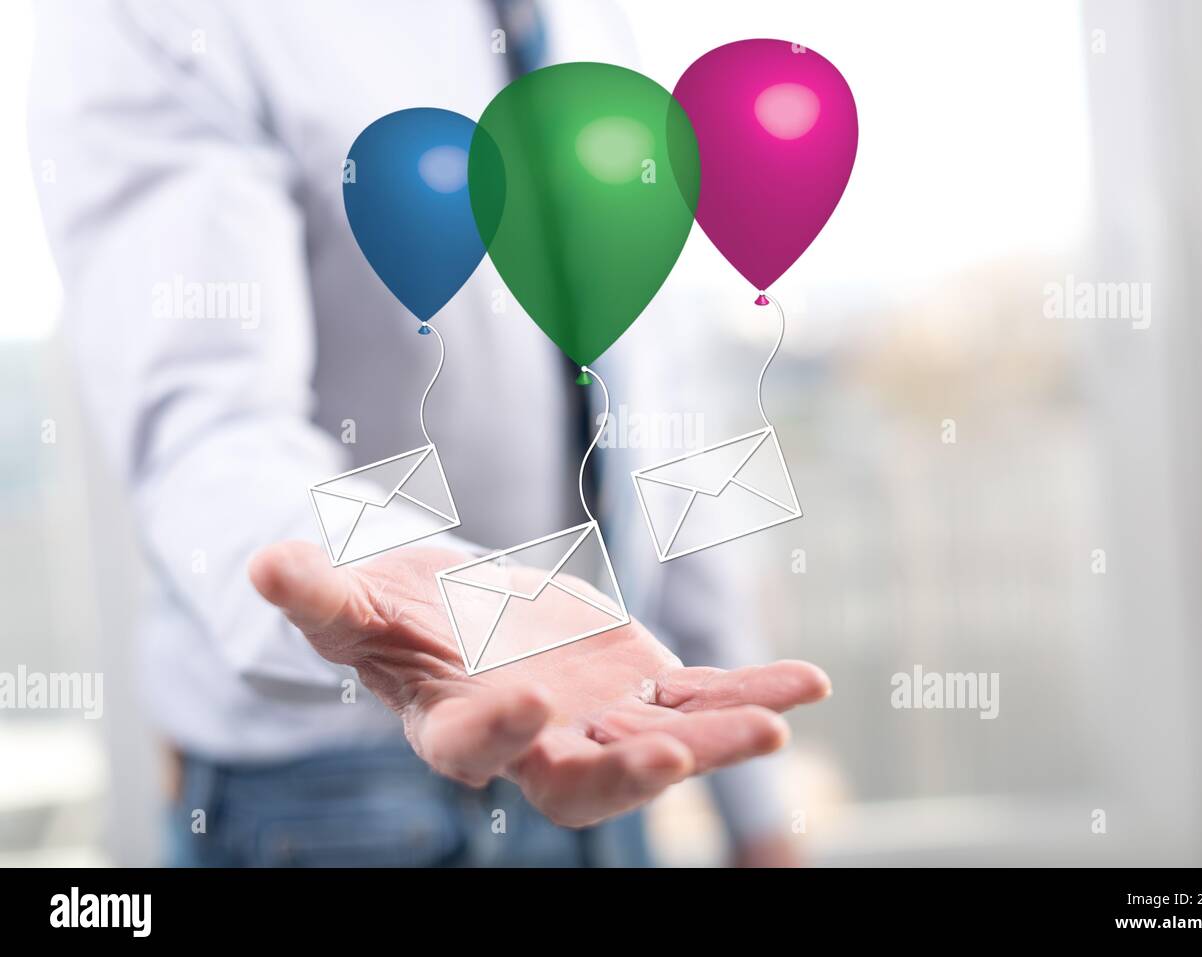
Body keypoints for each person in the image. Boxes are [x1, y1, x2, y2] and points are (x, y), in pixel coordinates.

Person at [30, 0, 829, 867]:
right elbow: (207, 425)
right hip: (328, 801)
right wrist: (420, 600)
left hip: (617, 740)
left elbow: (654, 404)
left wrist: (752, 799)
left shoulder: (591, 23)